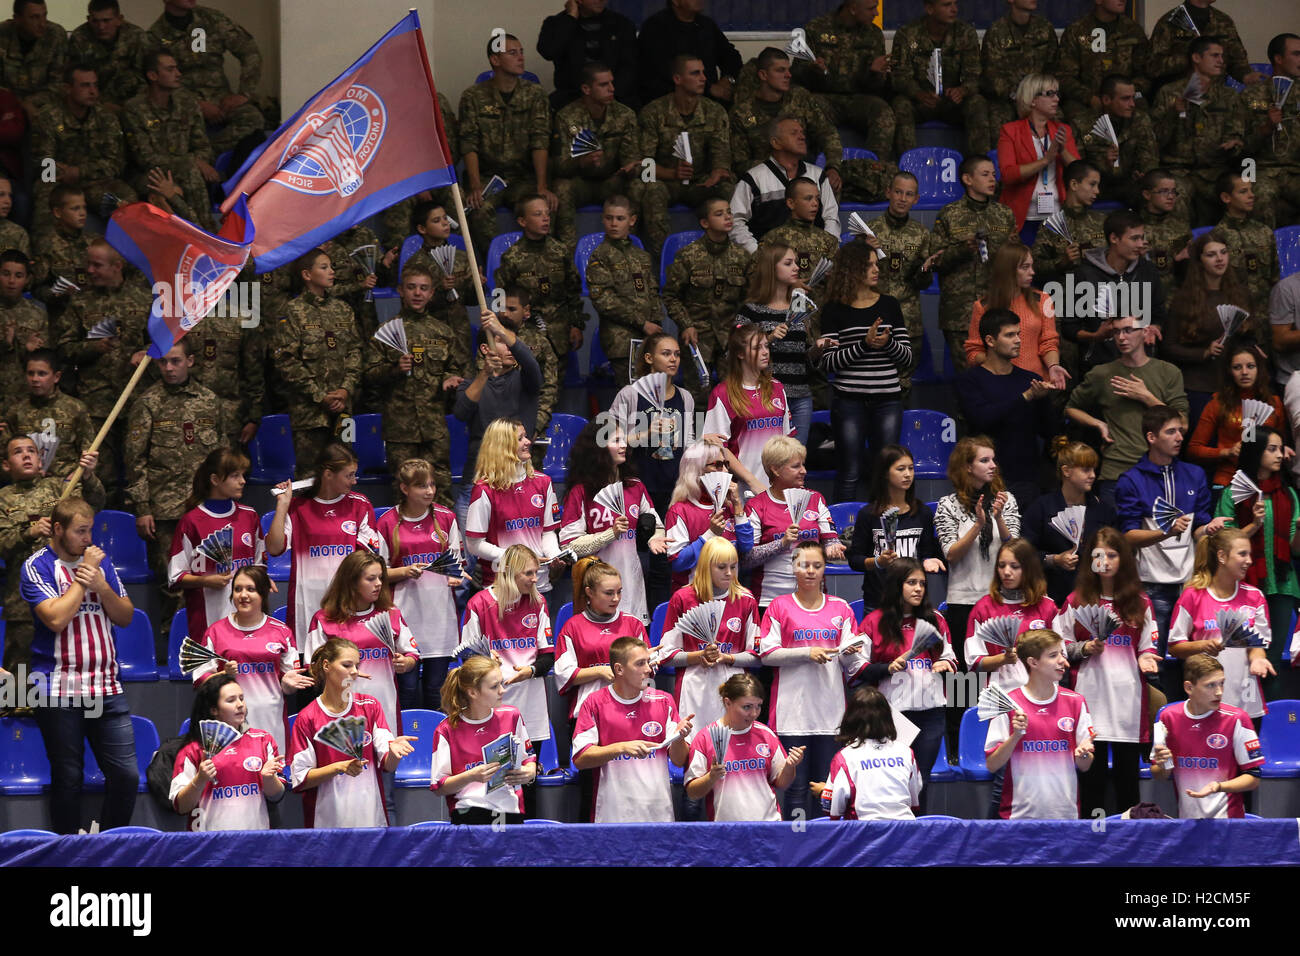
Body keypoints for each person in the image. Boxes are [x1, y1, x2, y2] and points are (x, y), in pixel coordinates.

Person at [21, 497, 136, 834]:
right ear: (58, 529)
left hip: (107, 687)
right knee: (68, 776)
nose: (88, 540)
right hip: (58, 688)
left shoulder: (103, 566)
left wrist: (102, 585)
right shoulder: (36, 566)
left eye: (90, 531)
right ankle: (67, 850)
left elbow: (126, 616)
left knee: (126, 776)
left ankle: (106, 844)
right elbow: (55, 618)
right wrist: (84, 581)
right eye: (80, 531)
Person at [1053, 527, 1160, 817]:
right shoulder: (1075, 601)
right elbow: (1058, 645)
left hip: (1128, 703)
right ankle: (1093, 844)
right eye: (1099, 555)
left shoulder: (1141, 602)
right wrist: (1083, 649)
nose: (1106, 561)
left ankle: (1130, 844)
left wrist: (1147, 659)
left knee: (1128, 783)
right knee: (1092, 783)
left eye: (1112, 555)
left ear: (1123, 559)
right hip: (1090, 700)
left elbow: (1148, 646)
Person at [758, 540, 866, 819]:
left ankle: (824, 853)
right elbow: (767, 653)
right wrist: (808, 653)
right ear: (793, 568)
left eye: (817, 566)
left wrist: (853, 652)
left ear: (824, 570)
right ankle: (797, 852)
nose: (810, 571)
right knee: (795, 790)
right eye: (804, 565)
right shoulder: (780, 607)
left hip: (831, 714)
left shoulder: (841, 607)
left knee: (826, 788)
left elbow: (851, 661)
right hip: (792, 713)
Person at [124, 339, 227, 627]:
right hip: (165, 510)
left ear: (190, 361)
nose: (169, 368)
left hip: (207, 510)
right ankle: (176, 651)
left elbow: (223, 457)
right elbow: (135, 461)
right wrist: (143, 507)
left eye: (176, 361)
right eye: (163, 362)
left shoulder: (210, 400)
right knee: (173, 585)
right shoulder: (147, 403)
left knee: (212, 579)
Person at [1115, 405, 1226, 667]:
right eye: (1171, 432)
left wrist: (1208, 529)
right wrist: (1165, 532)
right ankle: (1162, 709)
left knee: (1198, 661)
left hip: (1191, 584)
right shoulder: (1131, 480)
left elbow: (1198, 525)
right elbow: (1128, 535)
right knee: (1156, 660)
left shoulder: (1194, 474)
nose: (1179, 437)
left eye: (1180, 431)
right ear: (1152, 437)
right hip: (1151, 584)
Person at [362, 265, 468, 505]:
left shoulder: (443, 332)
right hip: (400, 428)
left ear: (432, 293)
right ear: (400, 290)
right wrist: (394, 370)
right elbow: (368, 375)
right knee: (403, 491)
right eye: (411, 287)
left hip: (434, 426)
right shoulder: (384, 332)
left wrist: (450, 379)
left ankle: (444, 541)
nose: (417, 293)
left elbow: (457, 368)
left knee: (440, 488)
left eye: (423, 288)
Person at [856, 558, 955, 814]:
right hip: (892, 714)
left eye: (922, 583)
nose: (919, 589)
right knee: (892, 780)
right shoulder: (874, 622)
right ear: (896, 585)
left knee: (921, 782)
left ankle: (918, 839)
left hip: (932, 712)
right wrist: (887, 667)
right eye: (911, 583)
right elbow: (857, 669)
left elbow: (950, 656)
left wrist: (945, 664)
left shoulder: (936, 620)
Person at [53, 238, 149, 496]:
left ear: (117, 266)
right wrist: (92, 348)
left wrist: (147, 351)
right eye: (88, 264)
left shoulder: (145, 299)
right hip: (96, 404)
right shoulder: (80, 303)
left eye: (97, 265)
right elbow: (63, 349)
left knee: (137, 473)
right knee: (100, 476)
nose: (90, 270)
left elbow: (166, 342)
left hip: (136, 400)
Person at [289, 638, 416, 829]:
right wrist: (339, 768)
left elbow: (387, 764)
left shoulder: (370, 706)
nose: (355, 672)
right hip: (326, 824)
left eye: (357, 665)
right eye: (347, 665)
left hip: (371, 820)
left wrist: (395, 753)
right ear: (326, 666)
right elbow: (300, 780)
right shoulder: (307, 717)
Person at [818, 242, 910, 501]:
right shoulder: (834, 309)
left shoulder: (890, 305)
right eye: (868, 264)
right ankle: (841, 531)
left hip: (888, 400)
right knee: (849, 470)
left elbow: (907, 358)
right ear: (852, 269)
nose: (876, 268)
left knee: (886, 470)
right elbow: (828, 363)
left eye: (876, 264)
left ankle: (885, 528)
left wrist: (888, 343)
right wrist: (863, 344)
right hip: (849, 401)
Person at [1214, 427, 1300, 698]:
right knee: (1239, 658)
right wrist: (1254, 525)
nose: (1280, 455)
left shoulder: (1288, 494)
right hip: (1243, 585)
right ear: (1255, 452)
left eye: (1280, 448)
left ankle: (1269, 727)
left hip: (1282, 584)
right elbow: (1223, 545)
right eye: (1271, 449)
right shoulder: (1232, 493)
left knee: (1271, 661)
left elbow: (1295, 548)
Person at [0, 438, 100, 674]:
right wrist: (28, 533)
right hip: (22, 599)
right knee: (19, 674)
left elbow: (93, 505)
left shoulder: (59, 488)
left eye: (31, 451)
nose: (26, 456)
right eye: (18, 452)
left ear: (40, 460)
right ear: (6, 464)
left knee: (64, 664)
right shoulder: (3, 498)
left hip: (65, 591)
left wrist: (88, 477)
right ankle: (18, 709)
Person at [265, 442, 378, 648]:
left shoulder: (360, 505)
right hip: (306, 605)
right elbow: (274, 548)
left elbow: (369, 559)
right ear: (328, 474)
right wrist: (283, 505)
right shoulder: (298, 507)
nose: (354, 481)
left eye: (355, 475)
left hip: (348, 603)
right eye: (349, 475)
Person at [1065, 314, 1189, 502]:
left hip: (1158, 470)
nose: (1121, 337)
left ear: (1145, 331)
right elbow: (1071, 408)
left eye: (1129, 330)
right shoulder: (1102, 373)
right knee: (1113, 531)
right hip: (1117, 470)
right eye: (1116, 332)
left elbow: (1183, 425)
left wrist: (1146, 397)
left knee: (1160, 531)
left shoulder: (1168, 372)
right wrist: (1098, 424)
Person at [303, 550, 419, 749]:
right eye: (371, 579)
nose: (379, 584)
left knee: (386, 770)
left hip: (385, 707)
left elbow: (412, 653)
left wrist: (406, 662)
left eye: (380, 578)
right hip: (340, 710)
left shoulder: (391, 614)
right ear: (351, 582)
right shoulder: (324, 619)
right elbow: (313, 668)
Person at [572, 635, 693, 822]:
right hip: (612, 815)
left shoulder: (663, 700)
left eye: (648, 662)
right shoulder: (594, 703)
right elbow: (580, 759)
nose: (648, 669)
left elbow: (679, 760)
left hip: (658, 813)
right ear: (619, 669)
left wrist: (679, 737)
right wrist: (621, 748)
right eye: (640, 664)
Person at [190, 566, 309, 754]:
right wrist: (223, 675)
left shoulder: (281, 631)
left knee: (271, 777)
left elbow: (288, 683)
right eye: (238, 589)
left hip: (272, 720)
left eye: (250, 589)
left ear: (263, 593)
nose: (243, 595)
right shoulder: (215, 631)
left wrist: (288, 683)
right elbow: (199, 680)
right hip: (229, 724)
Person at [376, 458, 464, 712]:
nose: (430, 491)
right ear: (405, 489)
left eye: (432, 485)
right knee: (408, 690)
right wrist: (404, 571)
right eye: (421, 486)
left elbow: (455, 565)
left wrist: (455, 577)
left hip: (439, 617)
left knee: (436, 689)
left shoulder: (446, 518)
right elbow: (376, 573)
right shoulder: (387, 522)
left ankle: (434, 746)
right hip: (403, 616)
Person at [458, 33, 554, 259]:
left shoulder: (534, 94)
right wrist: (474, 185)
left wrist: (541, 185)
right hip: (487, 177)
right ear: (495, 60)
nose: (521, 58)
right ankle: (498, 264)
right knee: (478, 209)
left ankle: (538, 262)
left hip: (523, 176)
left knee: (543, 205)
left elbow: (540, 139)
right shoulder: (474, 96)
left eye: (521, 52)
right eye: (512, 53)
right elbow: (468, 142)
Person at [984, 629, 1096, 819]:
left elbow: (1085, 766)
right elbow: (992, 765)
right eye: (1053, 655)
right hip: (1019, 817)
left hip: (1065, 815)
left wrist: (1083, 755)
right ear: (1033, 662)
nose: (1062, 660)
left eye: (1062, 653)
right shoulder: (1007, 703)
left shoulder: (1076, 701)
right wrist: (1016, 736)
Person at [1169, 527, 1272, 733]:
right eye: (1242, 554)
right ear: (1222, 556)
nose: (1249, 560)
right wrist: (1202, 645)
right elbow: (1175, 647)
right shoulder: (1193, 596)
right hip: (1206, 703)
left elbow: (1257, 645)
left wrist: (1259, 658)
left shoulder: (1255, 597)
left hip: (1247, 701)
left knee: (1247, 765)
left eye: (1250, 554)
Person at [560, 420, 662, 625]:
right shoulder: (581, 491)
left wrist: (655, 538)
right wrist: (610, 534)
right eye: (616, 440)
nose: (624, 444)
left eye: (623, 439)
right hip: (597, 589)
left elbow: (658, 525)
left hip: (632, 585)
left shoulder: (635, 486)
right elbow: (568, 545)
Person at [453, 298, 546, 522]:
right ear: (485, 348)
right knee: (474, 555)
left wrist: (500, 330)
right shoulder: (470, 385)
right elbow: (461, 413)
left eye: (510, 340)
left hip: (518, 483)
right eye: (500, 341)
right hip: (476, 482)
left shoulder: (526, 380)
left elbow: (531, 363)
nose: (510, 346)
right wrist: (484, 373)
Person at [956, 307, 1059, 509]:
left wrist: (1044, 400)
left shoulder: (1031, 381)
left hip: (1026, 479)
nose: (1018, 340)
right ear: (990, 341)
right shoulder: (970, 381)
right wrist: (1026, 397)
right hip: (984, 480)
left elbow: (1050, 431)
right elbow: (981, 419)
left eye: (1018, 334)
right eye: (1010, 335)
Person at [271, 248, 362, 476]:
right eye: (324, 267)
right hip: (309, 414)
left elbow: (355, 351)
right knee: (310, 477)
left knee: (346, 469)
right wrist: (320, 396)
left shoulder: (343, 310)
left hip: (344, 410)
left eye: (331, 267)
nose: (332, 272)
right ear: (306, 275)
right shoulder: (293, 311)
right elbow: (286, 361)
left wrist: (345, 389)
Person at [657, 537, 760, 730]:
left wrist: (726, 657)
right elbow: (666, 656)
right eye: (721, 567)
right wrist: (699, 656)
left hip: (735, 690)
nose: (729, 573)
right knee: (695, 754)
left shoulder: (746, 599)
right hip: (693, 690)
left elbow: (756, 657)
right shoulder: (682, 598)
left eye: (734, 566)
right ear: (706, 566)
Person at [638, 54, 735, 257]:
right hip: (667, 182)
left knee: (728, 188)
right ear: (677, 79)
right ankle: (664, 258)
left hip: (700, 181)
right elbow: (643, 164)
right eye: (695, 73)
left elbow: (721, 153)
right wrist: (672, 173)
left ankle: (726, 256)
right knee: (651, 190)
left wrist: (718, 172)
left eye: (703, 73)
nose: (703, 78)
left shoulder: (714, 111)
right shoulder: (654, 112)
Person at [661, 198, 752, 408]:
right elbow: (671, 296)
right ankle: (699, 440)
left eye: (729, 212)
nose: (727, 217)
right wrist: (686, 324)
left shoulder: (741, 257)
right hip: (697, 336)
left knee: (734, 395)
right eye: (719, 214)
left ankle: (730, 440)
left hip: (730, 335)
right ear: (705, 222)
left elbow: (749, 299)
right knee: (698, 398)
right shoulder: (688, 256)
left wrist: (741, 329)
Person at [459, 543, 553, 747]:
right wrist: (484, 660)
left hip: (531, 700)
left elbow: (548, 655)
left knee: (529, 773)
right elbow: (466, 656)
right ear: (509, 573)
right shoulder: (479, 604)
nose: (535, 579)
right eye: (528, 573)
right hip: (492, 703)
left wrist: (531, 670)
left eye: (536, 572)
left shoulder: (538, 602)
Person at [935, 436, 1021, 657]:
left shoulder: (1006, 499)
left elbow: (1015, 550)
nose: (993, 465)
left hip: (1001, 598)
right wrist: (978, 525)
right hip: (963, 601)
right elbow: (951, 554)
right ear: (967, 467)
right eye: (984, 460)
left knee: (1001, 666)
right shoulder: (947, 504)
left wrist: (998, 518)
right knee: (966, 676)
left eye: (993, 460)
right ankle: (963, 694)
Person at [1150, 652, 1265, 819]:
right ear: (1189, 688)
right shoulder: (1167, 717)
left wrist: (1218, 786)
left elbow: (1254, 778)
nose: (1219, 692)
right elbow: (1160, 775)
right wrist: (1162, 765)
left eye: (1222, 684)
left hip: (1228, 823)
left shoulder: (1237, 719)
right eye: (1210, 685)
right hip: (1187, 822)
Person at [168, 446, 263, 645]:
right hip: (206, 620)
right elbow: (175, 576)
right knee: (212, 675)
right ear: (215, 480)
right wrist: (205, 581)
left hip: (248, 620)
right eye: (235, 476)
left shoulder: (249, 515)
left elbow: (259, 564)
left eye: (243, 475)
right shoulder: (191, 521)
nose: (243, 481)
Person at [1163, 232, 1259, 428]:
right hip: (1198, 386)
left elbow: (1250, 335)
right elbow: (1168, 347)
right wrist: (1203, 352)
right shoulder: (1184, 299)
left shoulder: (1241, 294)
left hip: (1234, 384)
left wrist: (1252, 348)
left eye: (1223, 252)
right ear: (1199, 261)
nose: (1220, 259)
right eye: (1211, 254)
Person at [1150, 37, 1247, 226]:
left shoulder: (1228, 96)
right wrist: (1174, 114)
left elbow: (1237, 133)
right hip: (1177, 169)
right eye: (1214, 56)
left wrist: (1233, 144)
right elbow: (1155, 138)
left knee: (1242, 192)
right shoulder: (1169, 92)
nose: (1221, 61)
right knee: (1176, 194)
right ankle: (1181, 250)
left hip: (1215, 170)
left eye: (1222, 56)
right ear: (1196, 57)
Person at [145, 0, 264, 152]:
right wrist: (196, 104)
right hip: (181, 104)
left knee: (253, 119)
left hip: (220, 99)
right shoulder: (155, 36)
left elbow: (250, 52)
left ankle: (207, 154)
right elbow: (156, 81)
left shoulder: (212, 20)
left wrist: (244, 94)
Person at [169, 675, 285, 831]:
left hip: (256, 841)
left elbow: (276, 795)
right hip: (209, 843)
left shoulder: (263, 740)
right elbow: (181, 806)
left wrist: (268, 778)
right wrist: (200, 780)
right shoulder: (193, 750)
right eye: (231, 700)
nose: (240, 705)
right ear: (214, 709)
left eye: (242, 698)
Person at [931, 155, 1015, 371]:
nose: (992, 180)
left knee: (1000, 373)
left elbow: (1016, 258)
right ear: (967, 179)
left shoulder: (1004, 214)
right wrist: (962, 250)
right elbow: (935, 260)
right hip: (960, 312)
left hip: (996, 307)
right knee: (967, 377)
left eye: (994, 175)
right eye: (985, 175)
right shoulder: (949, 214)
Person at [432, 654, 537, 824]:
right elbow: (439, 787)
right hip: (467, 810)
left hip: (508, 809)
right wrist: (471, 776)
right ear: (473, 692)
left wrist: (530, 772)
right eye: (494, 687)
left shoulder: (512, 716)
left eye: (501, 684)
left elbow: (529, 759)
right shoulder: (446, 729)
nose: (502, 691)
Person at [30, 63, 135, 234]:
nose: (93, 91)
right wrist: (61, 171)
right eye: (85, 85)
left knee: (126, 199)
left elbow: (115, 163)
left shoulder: (106, 118)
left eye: (95, 85)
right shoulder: (49, 117)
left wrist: (80, 171)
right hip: (59, 182)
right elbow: (42, 160)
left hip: (96, 181)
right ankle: (47, 250)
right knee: (46, 195)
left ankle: (121, 255)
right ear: (67, 88)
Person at [464, 418, 564, 593]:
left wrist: (554, 554)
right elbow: (474, 544)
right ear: (503, 446)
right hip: (502, 587)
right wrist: (514, 558)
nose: (528, 442)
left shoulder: (543, 482)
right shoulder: (485, 490)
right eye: (520, 438)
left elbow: (547, 532)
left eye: (526, 436)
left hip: (539, 584)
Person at [742, 436, 843, 608]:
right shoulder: (757, 505)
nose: (803, 470)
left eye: (803, 464)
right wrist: (782, 543)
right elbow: (747, 559)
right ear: (775, 470)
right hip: (770, 600)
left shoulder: (815, 499)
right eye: (796, 466)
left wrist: (833, 548)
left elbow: (831, 540)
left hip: (813, 597)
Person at [684, 672, 800, 821]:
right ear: (727, 703)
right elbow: (692, 792)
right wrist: (711, 777)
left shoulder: (766, 734)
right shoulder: (706, 738)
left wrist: (790, 766)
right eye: (747, 707)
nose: (754, 713)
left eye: (758, 706)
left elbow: (782, 784)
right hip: (726, 831)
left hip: (769, 826)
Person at [121, 50, 216, 229]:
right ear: (152, 75)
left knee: (190, 174)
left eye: (177, 69)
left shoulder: (187, 103)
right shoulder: (134, 109)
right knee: (183, 178)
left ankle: (205, 231)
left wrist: (193, 162)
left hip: (185, 172)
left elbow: (203, 146)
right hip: (147, 175)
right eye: (170, 69)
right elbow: (145, 159)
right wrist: (191, 161)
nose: (178, 74)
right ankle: (203, 232)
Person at [493, 194, 585, 380]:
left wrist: (576, 325)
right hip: (526, 335)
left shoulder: (560, 251)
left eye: (547, 214)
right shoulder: (512, 257)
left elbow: (573, 291)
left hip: (559, 332)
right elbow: (501, 300)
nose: (545, 218)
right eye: (537, 214)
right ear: (522, 221)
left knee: (553, 391)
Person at [1064, 211, 1167, 375]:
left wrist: (1154, 327)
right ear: (1114, 239)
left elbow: (1159, 313)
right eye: (1134, 238)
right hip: (1099, 368)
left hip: (1142, 366)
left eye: (1142, 237)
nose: (1141, 244)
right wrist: (1095, 336)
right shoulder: (1083, 275)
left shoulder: (1148, 270)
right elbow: (1069, 328)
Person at [549, 62, 642, 244]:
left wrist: (631, 168)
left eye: (612, 83)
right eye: (603, 85)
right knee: (561, 187)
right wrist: (580, 162)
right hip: (580, 182)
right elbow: (558, 166)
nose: (611, 89)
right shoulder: (567, 117)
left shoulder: (625, 115)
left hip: (611, 180)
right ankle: (569, 253)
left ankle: (630, 249)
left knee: (638, 186)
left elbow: (632, 156)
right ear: (586, 89)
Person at [847, 444, 945, 613]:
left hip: (914, 604)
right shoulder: (868, 514)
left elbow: (926, 553)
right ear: (885, 473)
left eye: (911, 468)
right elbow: (855, 560)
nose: (908, 474)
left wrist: (929, 560)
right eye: (901, 469)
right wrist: (878, 562)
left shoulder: (923, 513)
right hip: (878, 602)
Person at [732, 242, 813, 444]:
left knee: (795, 459)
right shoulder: (751, 310)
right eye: (788, 263)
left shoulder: (799, 305)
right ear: (772, 268)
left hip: (799, 396)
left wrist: (819, 349)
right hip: (764, 396)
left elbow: (805, 351)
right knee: (767, 460)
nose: (796, 267)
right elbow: (733, 352)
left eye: (795, 262)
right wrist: (767, 339)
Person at [794, 0, 895, 160]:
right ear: (853, 9)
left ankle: (873, 171)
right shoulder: (816, 28)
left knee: (884, 113)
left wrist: (874, 74)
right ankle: (807, 172)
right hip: (824, 98)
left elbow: (877, 87)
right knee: (802, 108)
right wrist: (812, 71)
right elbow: (797, 72)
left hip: (859, 99)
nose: (876, 13)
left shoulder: (874, 34)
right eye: (871, 8)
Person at [860, 171, 932, 393]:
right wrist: (865, 250)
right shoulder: (869, 230)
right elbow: (854, 275)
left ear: (916, 199)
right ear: (888, 193)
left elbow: (924, 282)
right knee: (871, 380)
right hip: (873, 315)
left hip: (908, 318)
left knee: (903, 383)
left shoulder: (921, 234)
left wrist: (924, 268)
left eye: (909, 194)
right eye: (898, 192)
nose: (902, 198)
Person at [607, 333, 695, 513]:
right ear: (649, 358)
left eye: (677, 354)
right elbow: (609, 441)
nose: (673, 359)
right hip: (636, 485)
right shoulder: (629, 394)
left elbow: (689, 444)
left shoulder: (685, 397)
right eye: (666, 353)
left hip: (675, 488)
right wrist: (645, 434)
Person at [1022, 439, 1118, 605]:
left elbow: (1117, 551)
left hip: (1095, 597)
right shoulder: (1041, 508)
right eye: (1086, 470)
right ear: (1066, 471)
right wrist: (1054, 559)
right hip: (1052, 597)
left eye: (1094, 470)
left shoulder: (1103, 510)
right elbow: (1024, 552)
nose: (1093, 476)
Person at [555, 558, 649, 723]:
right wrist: (599, 671)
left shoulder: (633, 624)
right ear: (589, 592)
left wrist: (648, 661)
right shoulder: (572, 626)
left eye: (619, 591)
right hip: (587, 712)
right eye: (609, 593)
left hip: (630, 708)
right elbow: (564, 674)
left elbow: (649, 670)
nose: (616, 598)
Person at [889, 0, 989, 157]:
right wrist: (918, 94)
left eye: (955, 4)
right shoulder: (908, 33)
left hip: (953, 102)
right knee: (900, 104)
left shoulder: (965, 32)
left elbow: (975, 75)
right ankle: (908, 168)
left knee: (977, 103)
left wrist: (962, 90)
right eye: (946, 5)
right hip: (921, 102)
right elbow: (899, 77)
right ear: (930, 8)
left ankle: (978, 168)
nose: (954, 9)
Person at [727, 49, 842, 183]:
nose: (788, 75)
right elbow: (739, 163)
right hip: (763, 180)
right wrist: (779, 166)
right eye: (780, 70)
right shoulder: (741, 113)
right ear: (763, 75)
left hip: (804, 173)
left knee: (831, 183)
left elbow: (827, 134)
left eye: (788, 70)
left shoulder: (800, 98)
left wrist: (833, 167)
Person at [701, 324, 792, 493]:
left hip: (779, 488)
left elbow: (787, 441)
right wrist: (752, 482)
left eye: (766, 346)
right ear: (740, 353)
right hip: (744, 490)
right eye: (757, 347)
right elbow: (719, 448)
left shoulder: (777, 388)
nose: (765, 352)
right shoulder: (722, 394)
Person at [729, 117, 839, 254]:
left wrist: (827, 254)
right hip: (768, 264)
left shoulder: (818, 175)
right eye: (794, 133)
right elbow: (735, 222)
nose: (802, 137)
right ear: (776, 143)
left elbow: (831, 218)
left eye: (802, 132)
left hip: (814, 260)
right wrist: (758, 254)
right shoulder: (754, 179)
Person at [965, 538, 1058, 696]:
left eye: (1015, 566)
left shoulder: (1047, 607)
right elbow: (974, 664)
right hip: (999, 696)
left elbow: (1061, 657)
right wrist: (1004, 659)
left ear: (1029, 569)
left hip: (1043, 694)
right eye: (1001, 566)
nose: (1006, 572)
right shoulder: (983, 608)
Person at [963, 240, 1065, 381]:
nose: (1032, 272)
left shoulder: (1043, 299)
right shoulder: (983, 306)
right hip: (998, 383)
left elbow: (1049, 342)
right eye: (1025, 267)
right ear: (1008, 270)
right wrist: (997, 362)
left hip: (1035, 381)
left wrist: (1053, 366)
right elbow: (974, 351)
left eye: (1032, 266)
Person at [587, 194, 660, 388]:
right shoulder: (600, 256)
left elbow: (652, 292)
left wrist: (655, 324)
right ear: (603, 219)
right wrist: (642, 323)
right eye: (609, 218)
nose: (613, 223)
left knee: (653, 394)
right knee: (632, 396)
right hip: (621, 340)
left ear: (632, 220)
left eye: (620, 219)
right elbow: (604, 300)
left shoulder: (641, 256)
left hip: (649, 335)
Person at [995, 73, 1081, 234]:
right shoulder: (1010, 131)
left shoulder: (1063, 130)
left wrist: (1062, 151)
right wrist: (1045, 160)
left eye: (1057, 94)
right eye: (1050, 94)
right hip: (1021, 216)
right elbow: (1008, 175)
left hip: (1056, 216)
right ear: (1032, 99)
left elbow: (1079, 171)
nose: (1057, 99)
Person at [663, 439, 753, 590]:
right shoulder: (680, 510)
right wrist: (710, 534)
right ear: (696, 470)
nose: (725, 471)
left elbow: (746, 548)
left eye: (726, 464)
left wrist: (738, 505)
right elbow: (677, 562)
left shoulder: (729, 505)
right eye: (717, 465)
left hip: (729, 593)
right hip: (693, 596)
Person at [1190, 346, 1284, 487]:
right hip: (1228, 479)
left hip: (1266, 482)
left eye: (1250, 366)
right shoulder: (1218, 403)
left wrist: (1284, 449)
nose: (1244, 372)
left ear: (1260, 370)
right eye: (1237, 367)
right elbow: (1193, 450)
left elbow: (1283, 443)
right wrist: (1226, 452)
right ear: (1229, 371)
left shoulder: (1274, 403)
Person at [0, 349, 93, 480]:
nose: (35, 379)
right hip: (27, 488)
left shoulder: (75, 408)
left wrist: (80, 474)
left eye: (42, 374)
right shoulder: (16, 411)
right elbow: (4, 460)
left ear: (56, 377)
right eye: (30, 373)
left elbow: (89, 452)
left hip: (65, 483)